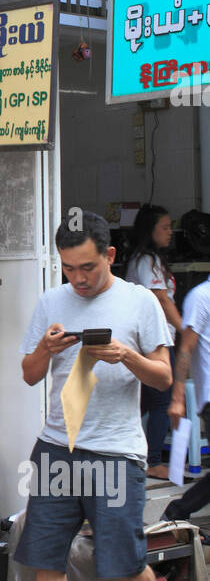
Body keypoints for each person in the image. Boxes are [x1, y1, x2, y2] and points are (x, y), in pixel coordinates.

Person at [13, 210, 181, 581]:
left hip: (115, 452)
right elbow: (28, 374)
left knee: (126, 563)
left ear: (109, 255)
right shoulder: (51, 302)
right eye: (68, 268)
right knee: (46, 560)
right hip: (57, 447)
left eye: (87, 266)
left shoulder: (140, 302)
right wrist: (45, 349)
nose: (78, 279)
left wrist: (127, 355)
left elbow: (165, 378)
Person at [125, 204, 181, 478]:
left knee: (144, 401)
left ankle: (130, 454)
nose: (170, 233)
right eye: (165, 227)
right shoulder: (145, 261)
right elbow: (160, 296)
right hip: (151, 340)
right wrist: (183, 327)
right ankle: (154, 460)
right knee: (160, 400)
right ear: (151, 230)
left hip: (152, 339)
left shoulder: (149, 259)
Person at [164, 270, 210, 524]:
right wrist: (178, 396)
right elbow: (186, 348)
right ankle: (179, 509)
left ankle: (179, 510)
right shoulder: (201, 297)